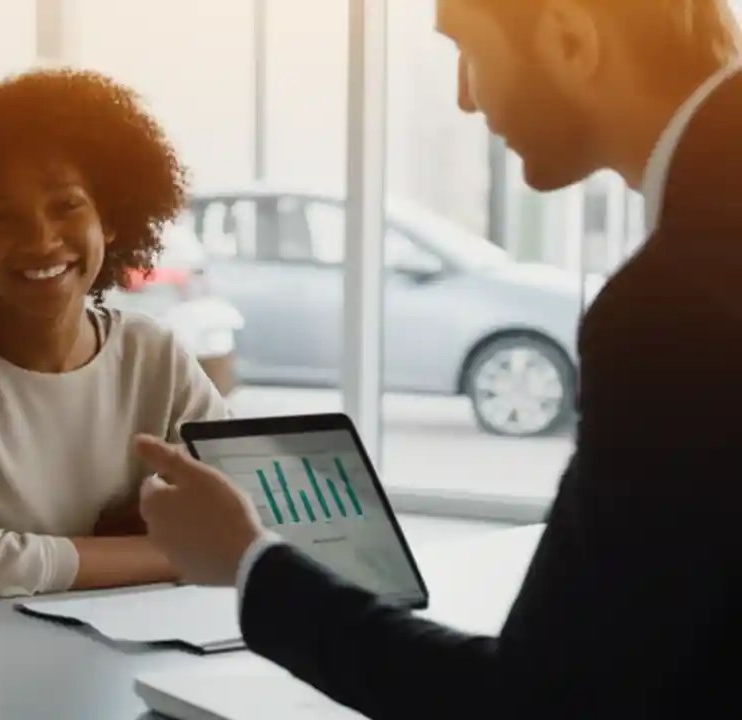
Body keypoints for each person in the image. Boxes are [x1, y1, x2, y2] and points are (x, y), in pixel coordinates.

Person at [136, 0, 742, 716]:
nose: (464, 97)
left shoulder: (672, 301)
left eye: (468, 51)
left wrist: (248, 560)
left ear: (570, 39)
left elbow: (531, 703)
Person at [0, 69, 229, 598]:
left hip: (124, 638)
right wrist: (170, 553)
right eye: (2, 217)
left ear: (110, 219)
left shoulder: (154, 355)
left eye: (66, 206)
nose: (40, 239)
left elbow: (243, 508)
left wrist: (190, 537)